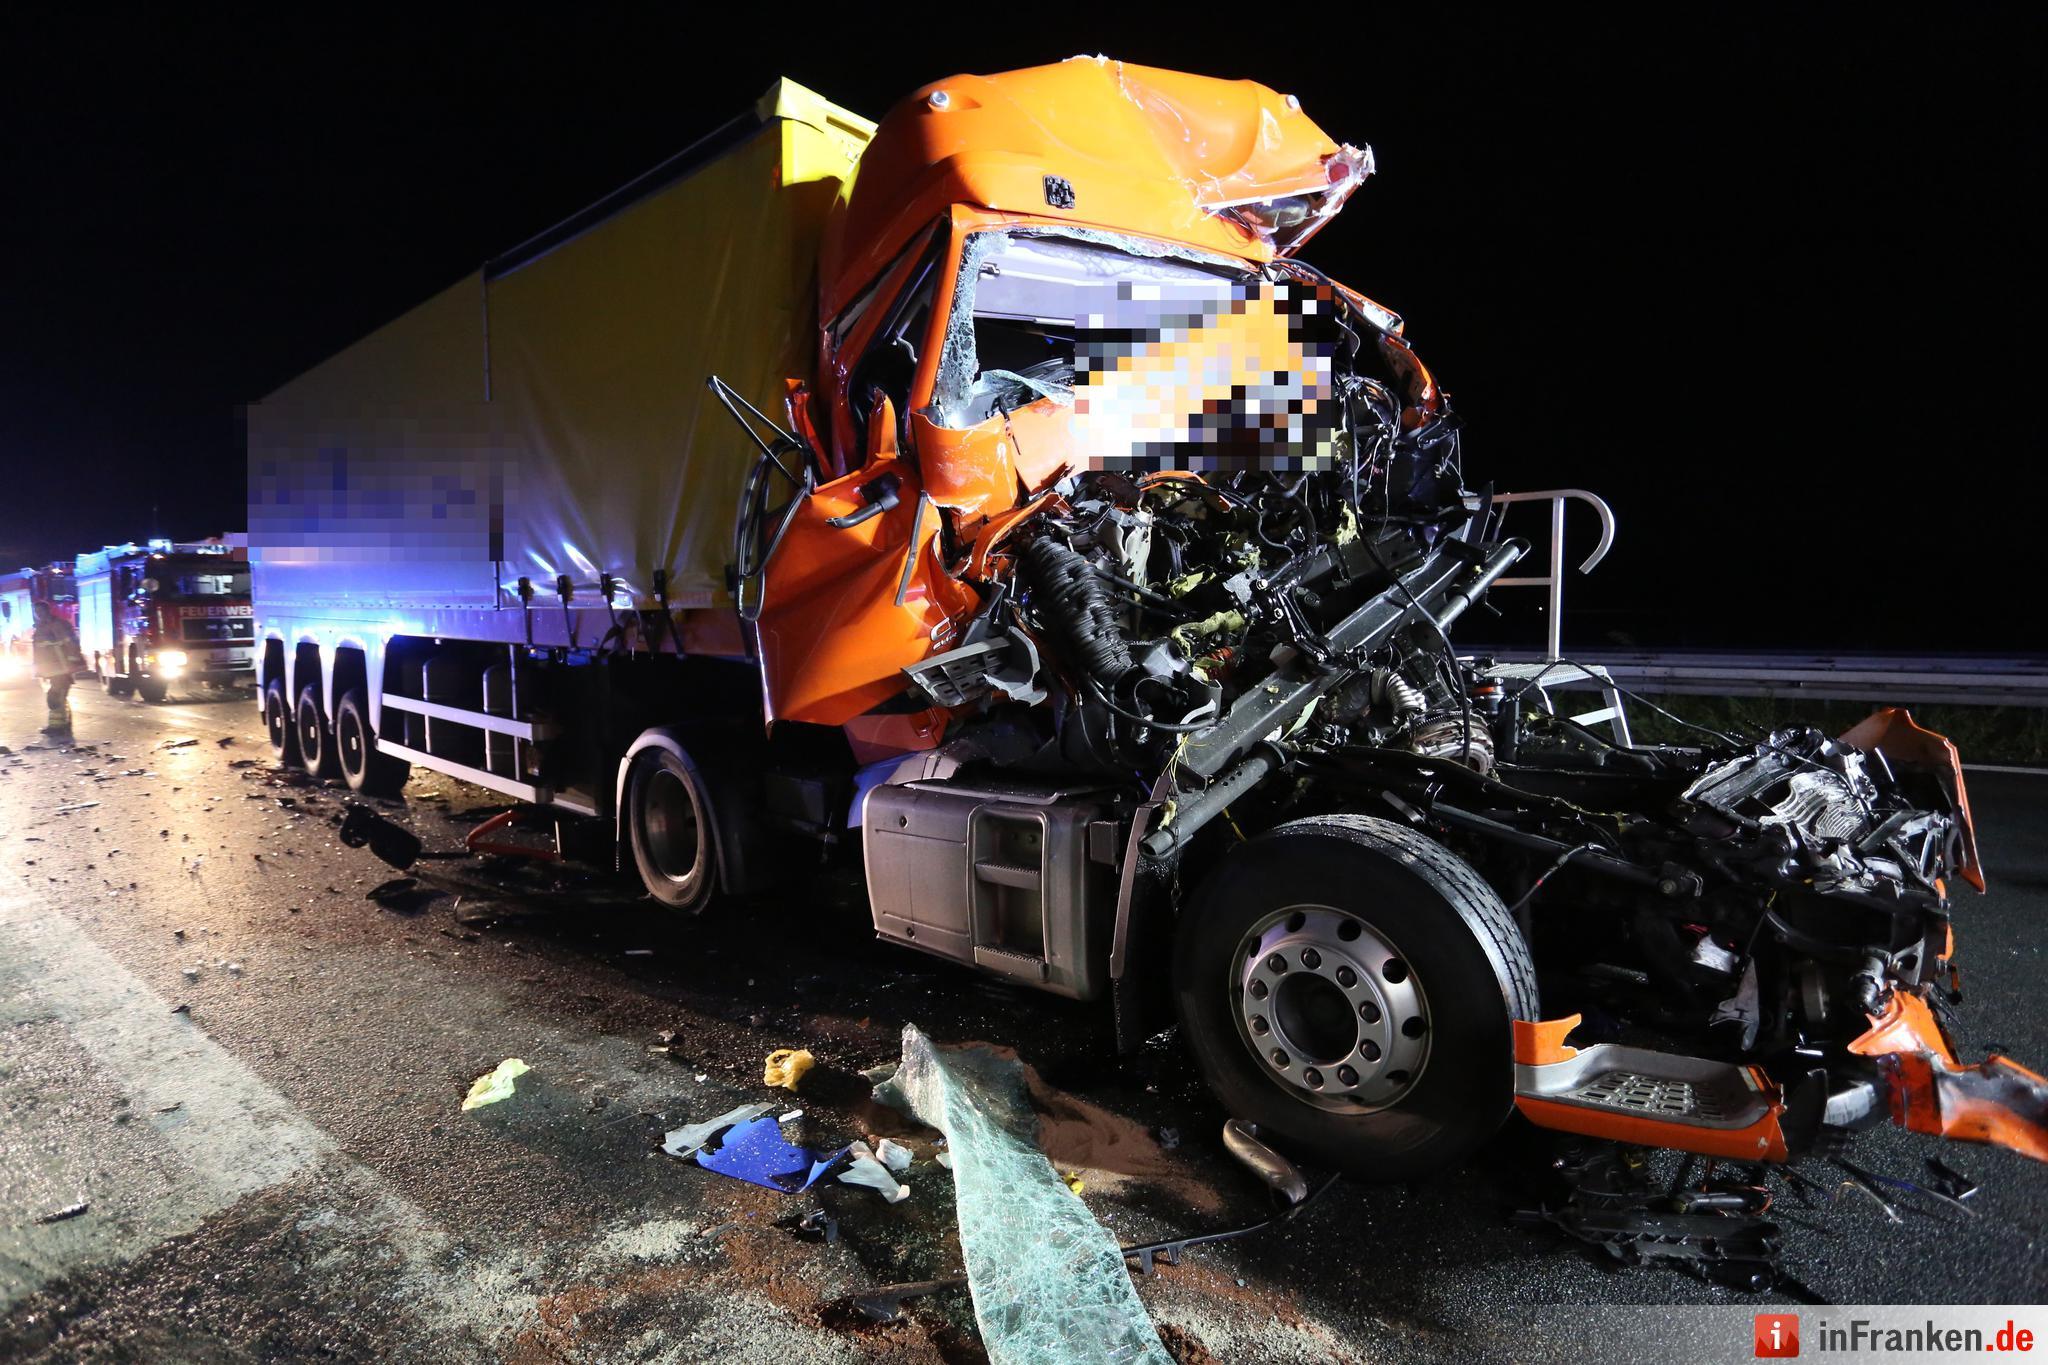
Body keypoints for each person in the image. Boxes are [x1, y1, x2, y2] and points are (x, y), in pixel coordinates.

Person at [31, 601, 85, 736]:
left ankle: (58, 726)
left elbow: (71, 643)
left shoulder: (59, 625)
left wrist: (72, 663)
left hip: (61, 666)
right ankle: (60, 725)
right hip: (51, 668)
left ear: (48, 611)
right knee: (58, 696)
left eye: (41, 611)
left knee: (56, 695)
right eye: (36, 612)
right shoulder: (41, 627)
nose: (39, 614)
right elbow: (39, 650)